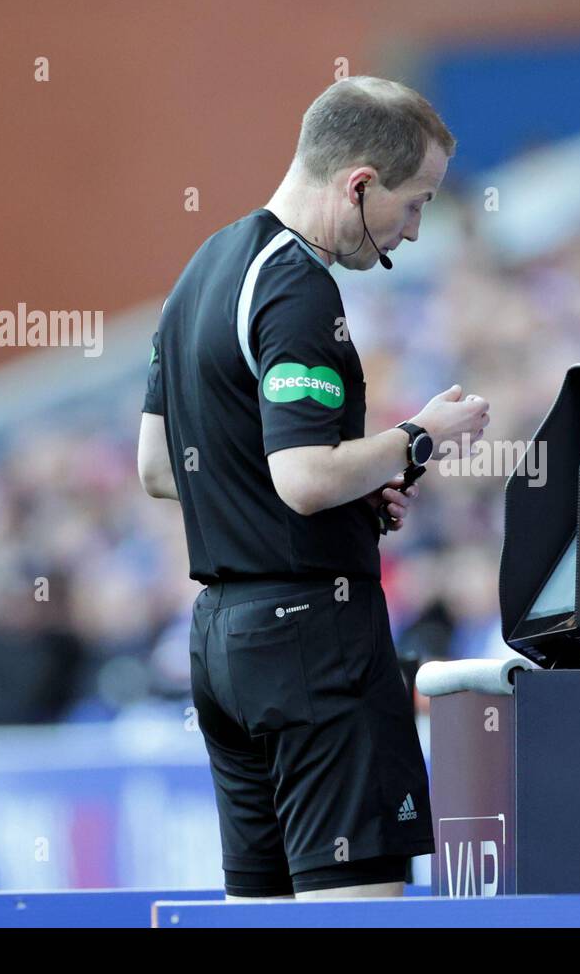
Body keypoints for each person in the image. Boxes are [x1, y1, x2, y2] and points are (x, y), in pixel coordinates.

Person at [136, 76, 489, 900]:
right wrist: (418, 437)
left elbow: (161, 467)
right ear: (359, 183)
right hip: (311, 644)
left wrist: (349, 489)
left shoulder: (202, 269)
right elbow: (299, 479)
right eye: (414, 203)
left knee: (262, 917)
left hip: (223, 646)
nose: (412, 229)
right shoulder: (297, 287)